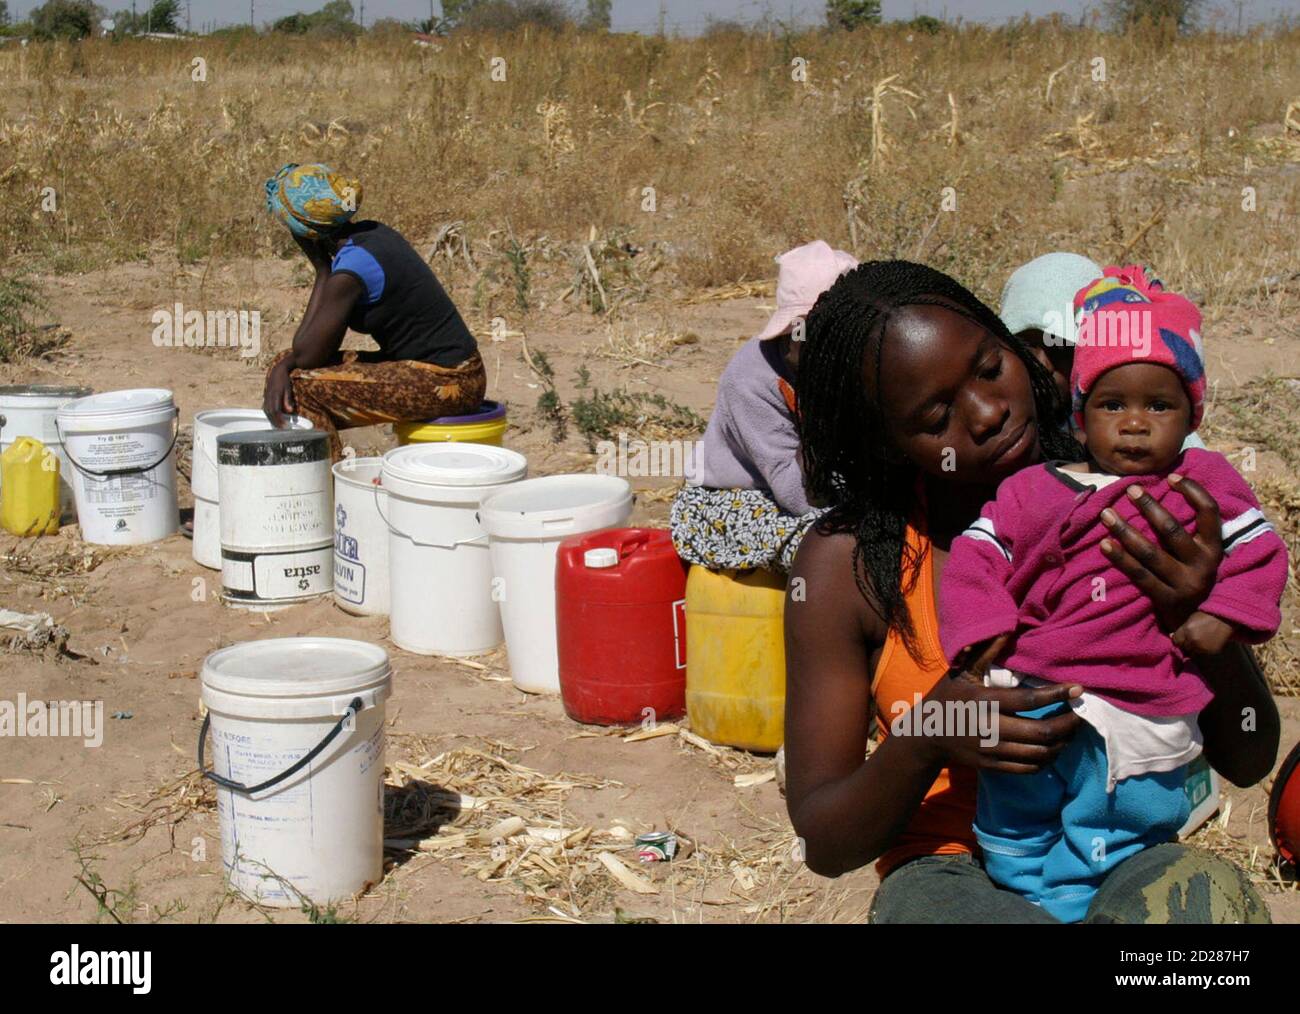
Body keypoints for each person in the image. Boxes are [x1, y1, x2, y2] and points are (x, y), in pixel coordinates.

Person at [783, 258, 1278, 924]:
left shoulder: (1134, 496)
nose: (988, 413)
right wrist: (932, 733)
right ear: (885, 444)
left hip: (1120, 854)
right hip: (950, 870)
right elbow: (824, 839)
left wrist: (1197, 617)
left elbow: (1250, 757)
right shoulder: (847, 567)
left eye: (990, 368)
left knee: (1207, 905)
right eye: (936, 416)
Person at [939, 265, 1288, 922]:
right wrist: (979, 621)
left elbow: (1260, 547)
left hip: (1140, 696)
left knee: (1121, 817)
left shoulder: (1205, 482)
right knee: (1016, 813)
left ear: (1191, 415)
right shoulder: (1039, 488)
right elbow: (981, 551)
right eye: (1112, 405)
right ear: (1081, 413)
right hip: (1040, 686)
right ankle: (1021, 885)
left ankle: (1075, 901)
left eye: (1158, 406)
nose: (1133, 425)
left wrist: (1220, 614)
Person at [261, 163, 485, 460]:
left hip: (451, 380)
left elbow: (308, 354)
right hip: (440, 369)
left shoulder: (351, 271)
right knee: (286, 366)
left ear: (306, 233)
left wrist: (320, 269)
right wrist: (283, 363)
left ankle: (327, 492)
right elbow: (305, 351)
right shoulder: (371, 235)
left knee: (300, 386)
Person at [670, 240, 855, 575]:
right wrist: (814, 395)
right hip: (730, 503)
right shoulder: (751, 379)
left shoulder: (854, 361)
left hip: (827, 489)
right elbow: (798, 497)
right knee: (830, 549)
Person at [999, 251, 1207, 450]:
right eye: (1024, 347)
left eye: (1060, 346)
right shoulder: (999, 425)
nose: (1042, 364)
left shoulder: (1158, 432)